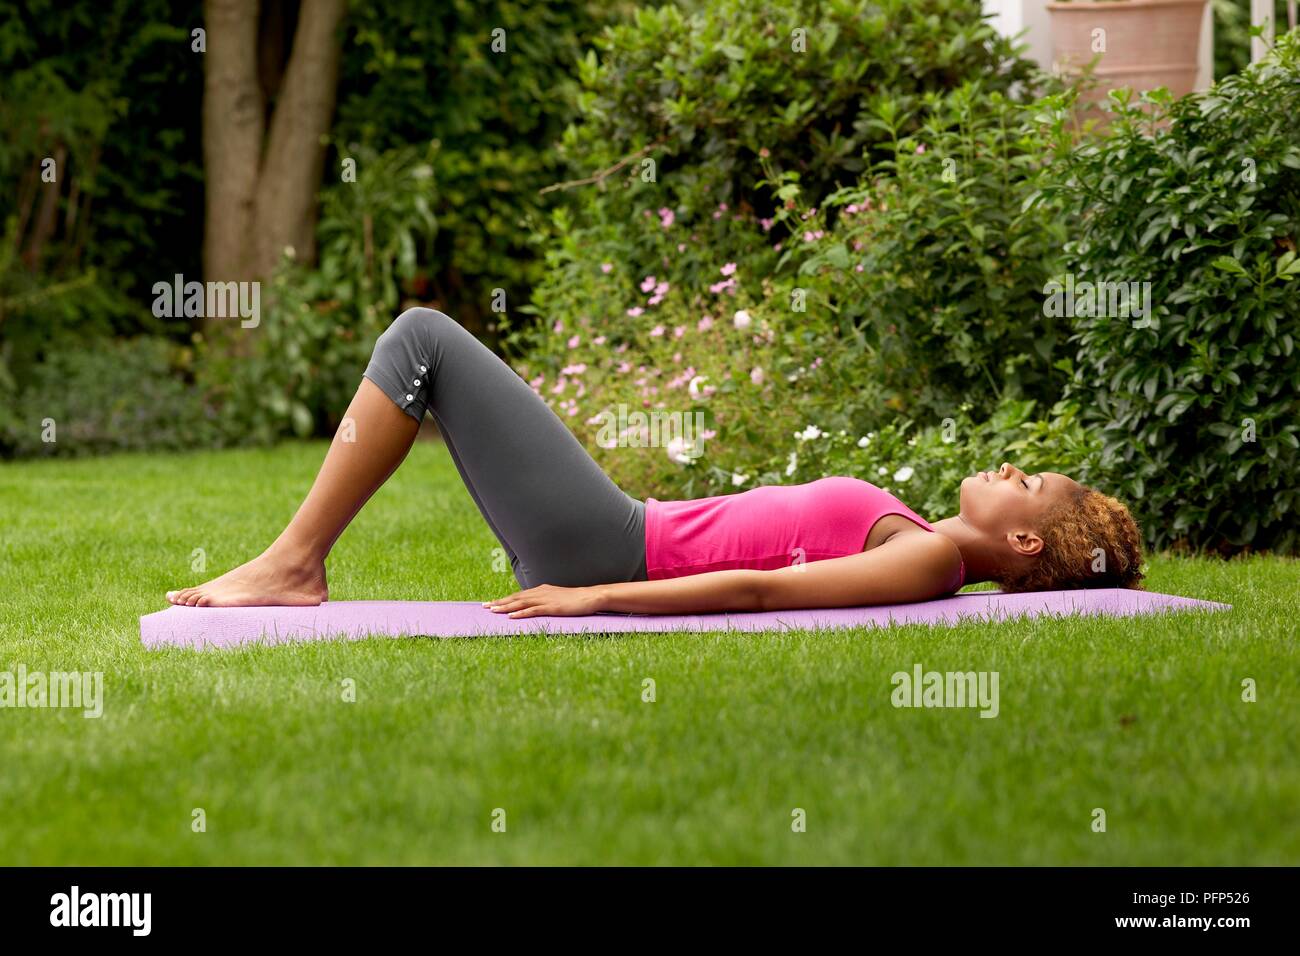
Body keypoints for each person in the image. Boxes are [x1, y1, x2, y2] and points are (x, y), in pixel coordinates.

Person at [166, 308, 1143, 617]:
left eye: (1029, 483)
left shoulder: (929, 559)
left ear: (1020, 539)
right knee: (423, 348)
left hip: (610, 550)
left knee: (421, 341)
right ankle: (293, 556)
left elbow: (764, 592)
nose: (1013, 467)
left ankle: (295, 560)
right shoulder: (922, 537)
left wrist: (592, 599)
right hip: (615, 530)